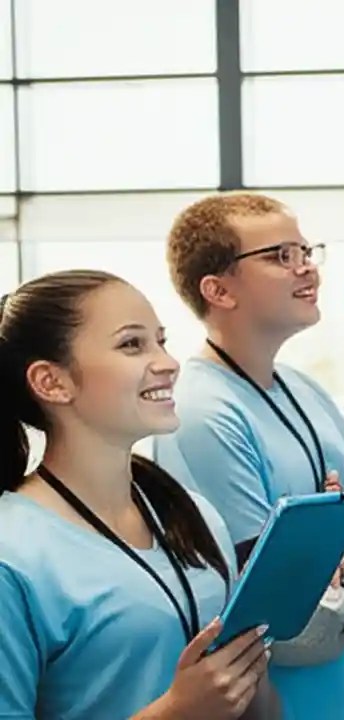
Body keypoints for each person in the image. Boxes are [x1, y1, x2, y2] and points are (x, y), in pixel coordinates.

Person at [0, 270, 274, 719]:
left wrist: (251, 655)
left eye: (161, 340)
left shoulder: (194, 516)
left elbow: (259, 708)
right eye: (132, 344)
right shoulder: (13, 555)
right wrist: (176, 712)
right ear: (52, 382)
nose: (168, 362)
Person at [152, 193, 344, 720]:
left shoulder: (304, 388)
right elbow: (276, 602)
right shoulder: (200, 411)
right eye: (281, 255)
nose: (307, 267)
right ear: (218, 289)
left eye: (306, 250)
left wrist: (326, 544)